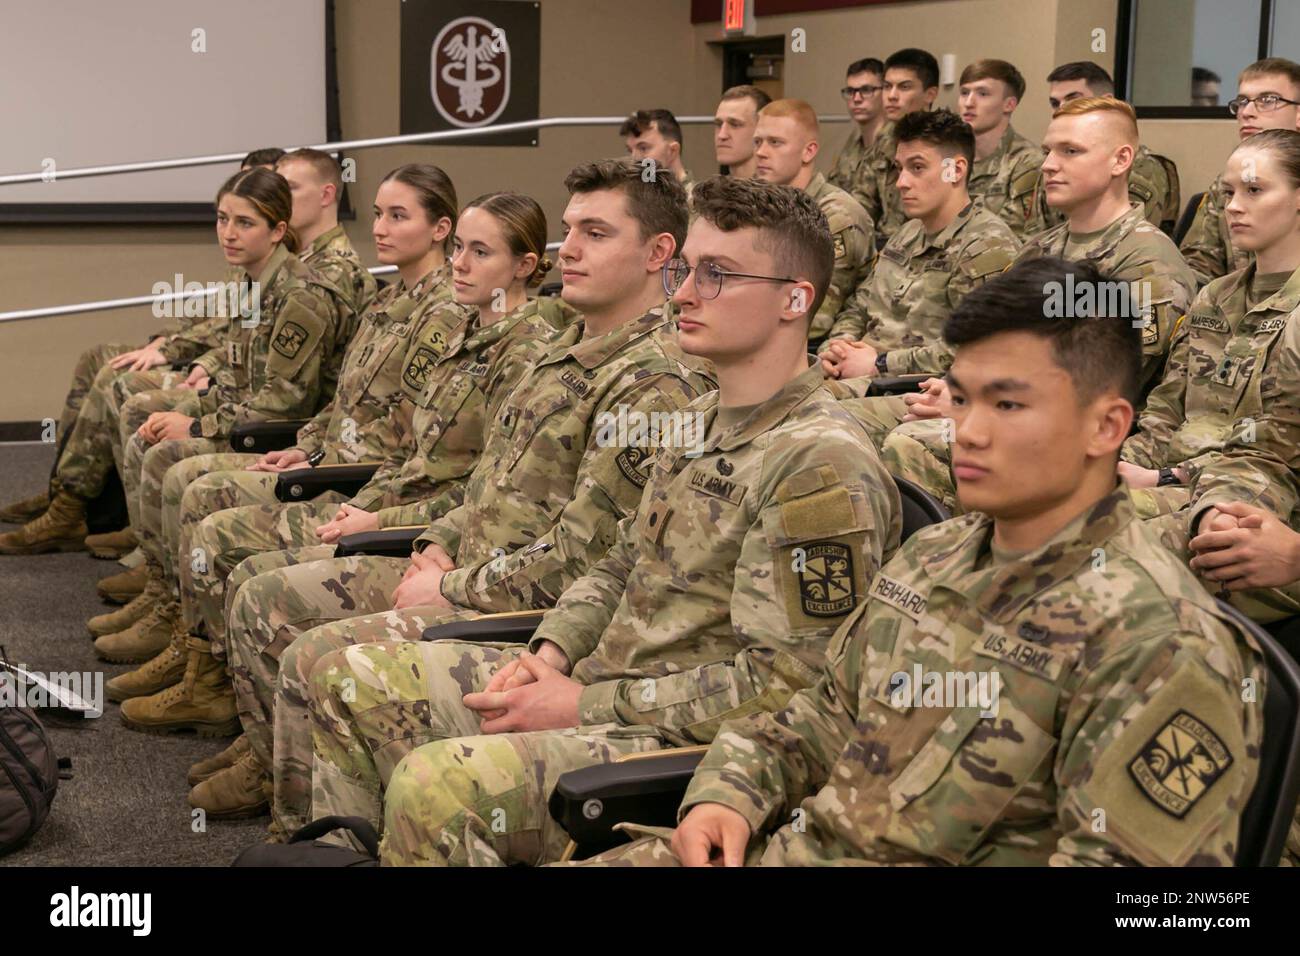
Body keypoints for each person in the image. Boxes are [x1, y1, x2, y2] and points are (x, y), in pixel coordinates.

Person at [568, 257, 1264, 868]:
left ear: (1107, 426)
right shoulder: (934, 555)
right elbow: (818, 715)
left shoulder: (1158, 639)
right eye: (960, 398)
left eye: (1008, 404)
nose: (970, 431)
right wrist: (728, 796)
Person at [302, 174, 903, 865]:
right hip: (598, 679)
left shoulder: (818, 467)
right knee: (352, 682)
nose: (682, 294)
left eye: (717, 275)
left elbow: (785, 688)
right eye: (687, 272)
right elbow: (617, 561)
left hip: (680, 739)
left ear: (796, 299)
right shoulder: (698, 421)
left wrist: (583, 706)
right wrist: (549, 654)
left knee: (434, 786)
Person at [212, 158, 714, 834]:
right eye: (570, 231)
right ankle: (307, 828)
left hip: (519, 609)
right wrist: (436, 543)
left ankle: (316, 837)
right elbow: (482, 486)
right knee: (267, 600)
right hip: (461, 565)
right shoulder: (561, 347)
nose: (573, 250)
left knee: (316, 660)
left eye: (596, 233)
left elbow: (581, 559)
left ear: (659, 253)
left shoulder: (654, 385)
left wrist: (452, 585)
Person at [92, 165, 460, 678]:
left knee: (197, 493)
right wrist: (308, 448)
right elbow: (343, 402)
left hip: (362, 486)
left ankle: (206, 667)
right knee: (186, 478)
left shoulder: (442, 315)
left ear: (440, 229)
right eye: (377, 214)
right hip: (329, 463)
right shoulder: (389, 299)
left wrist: (354, 494)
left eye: (398, 216)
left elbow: (410, 443)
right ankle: (181, 624)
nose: (378, 227)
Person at [92, 168, 354, 669]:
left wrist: (195, 427)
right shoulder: (250, 279)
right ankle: (164, 596)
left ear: (278, 230)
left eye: (245, 222)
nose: (229, 233)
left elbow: (282, 403)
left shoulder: (301, 296)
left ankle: (192, 642)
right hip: (241, 415)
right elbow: (238, 373)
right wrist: (197, 405)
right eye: (222, 219)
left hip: (279, 435)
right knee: (144, 430)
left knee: (172, 462)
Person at [880, 96, 1196, 510]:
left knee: (910, 443)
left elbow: (1093, 376)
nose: (1048, 165)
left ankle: (969, 563)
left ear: (1120, 161)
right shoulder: (1040, 249)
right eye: (1049, 150)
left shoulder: (1146, 262)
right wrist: (961, 389)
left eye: (1070, 151)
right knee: (842, 425)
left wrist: (974, 403)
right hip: (1003, 405)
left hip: (1074, 430)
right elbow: (991, 339)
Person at [1120, 130, 1300, 523]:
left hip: (1254, 502)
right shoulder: (1215, 297)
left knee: (1084, 526)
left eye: (1254, 190)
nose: (1233, 207)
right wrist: (1117, 468)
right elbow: (1166, 409)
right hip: (1173, 484)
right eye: (1228, 193)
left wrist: (1165, 476)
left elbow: (1281, 449)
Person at [752, 98, 874, 345]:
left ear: (809, 151)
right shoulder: (763, 208)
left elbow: (815, 317)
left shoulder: (838, 216)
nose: (761, 152)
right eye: (757, 142)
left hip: (819, 349)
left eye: (775, 142)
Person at [1181, 57, 1300, 286]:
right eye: (1242, 101)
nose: (1247, 112)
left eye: (1267, 100)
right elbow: (1199, 264)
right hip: (1238, 309)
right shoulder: (1227, 183)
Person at [1038, 61, 1181, 235]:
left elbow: (1122, 238)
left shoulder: (1141, 167)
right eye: (1055, 103)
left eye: (1073, 99)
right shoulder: (1052, 162)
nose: (1061, 109)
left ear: (1106, 101)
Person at [852, 48, 939, 250]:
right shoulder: (884, 142)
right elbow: (861, 202)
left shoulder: (945, 144)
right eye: (887, 86)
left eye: (904, 87)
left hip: (926, 248)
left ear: (930, 94)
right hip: (883, 247)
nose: (891, 96)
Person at [957, 59, 1042, 238]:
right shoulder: (951, 157)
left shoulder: (1027, 161)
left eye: (983, 93)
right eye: (964, 93)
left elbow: (1015, 234)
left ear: (1009, 105)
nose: (969, 103)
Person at [828, 57, 885, 194]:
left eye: (866, 90)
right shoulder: (851, 149)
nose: (857, 99)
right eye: (850, 91)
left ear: (885, 91)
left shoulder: (895, 146)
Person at [621, 109, 692, 194]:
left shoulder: (695, 202)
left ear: (672, 151)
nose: (634, 159)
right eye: (630, 150)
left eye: (643, 148)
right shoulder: (636, 198)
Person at [713, 84, 770, 180]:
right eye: (719, 124)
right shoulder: (713, 192)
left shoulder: (783, 193)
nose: (722, 135)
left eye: (735, 125)